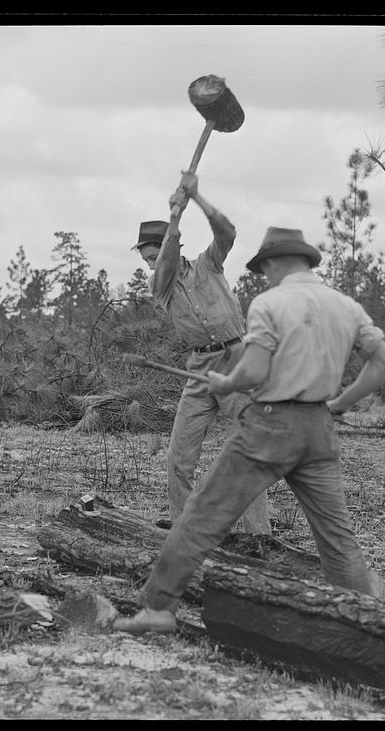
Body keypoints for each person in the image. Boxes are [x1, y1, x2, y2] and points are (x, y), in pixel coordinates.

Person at [115, 226, 385, 634]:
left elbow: (253, 371)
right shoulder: (346, 306)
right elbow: (384, 362)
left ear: (275, 262)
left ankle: (158, 608)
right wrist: (339, 404)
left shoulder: (269, 303)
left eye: (265, 267)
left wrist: (227, 382)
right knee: (338, 540)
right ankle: (365, 626)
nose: (264, 275)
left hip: (270, 424)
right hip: (320, 429)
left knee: (201, 516)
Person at [132, 170, 271, 536]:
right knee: (178, 458)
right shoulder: (159, 285)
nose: (150, 266)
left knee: (249, 450)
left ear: (171, 247)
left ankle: (259, 538)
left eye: (152, 256)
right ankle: (186, 533)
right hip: (199, 370)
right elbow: (166, 263)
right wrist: (174, 217)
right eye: (147, 260)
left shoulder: (209, 264)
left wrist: (196, 198)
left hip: (237, 361)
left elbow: (228, 233)